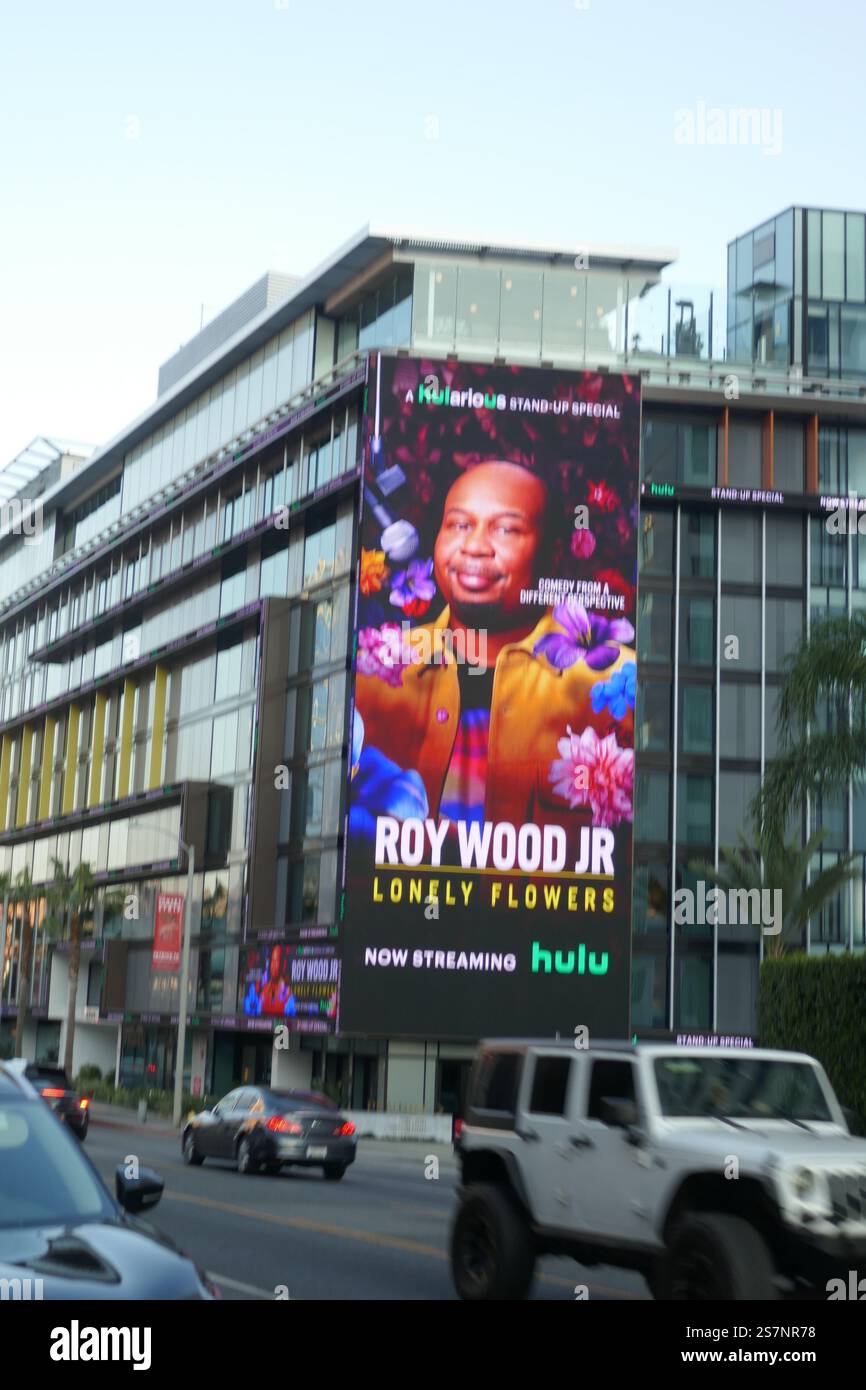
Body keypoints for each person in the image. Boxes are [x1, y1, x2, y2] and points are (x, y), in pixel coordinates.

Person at [353, 460, 635, 831]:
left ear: (551, 553)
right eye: (459, 525)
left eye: (505, 529)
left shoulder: (620, 683)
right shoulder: (368, 673)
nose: (474, 547)